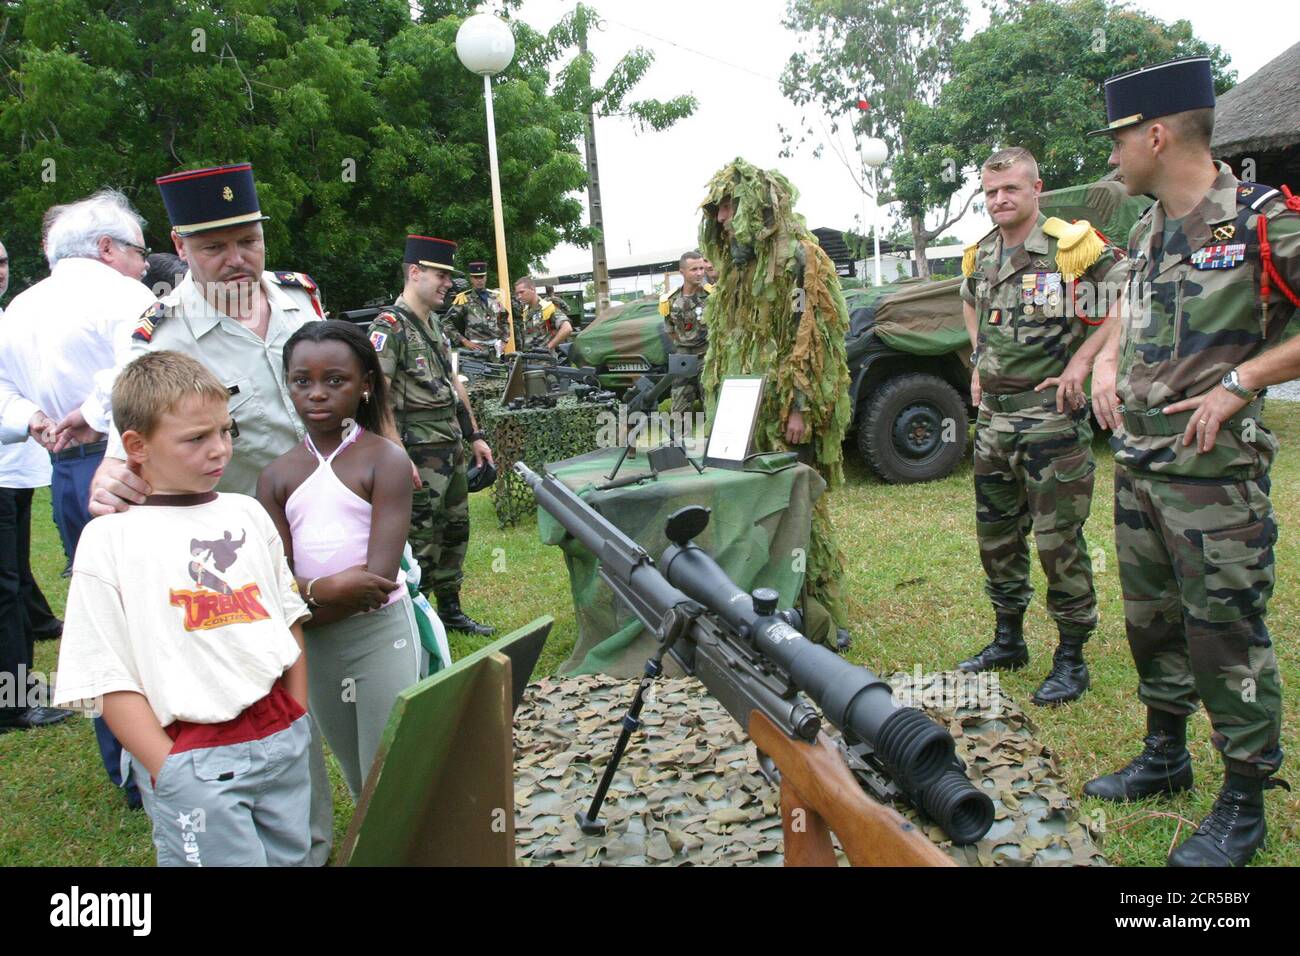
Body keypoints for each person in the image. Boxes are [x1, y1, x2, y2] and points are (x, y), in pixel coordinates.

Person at [84, 161, 336, 863]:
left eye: (248, 240)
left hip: (327, 531)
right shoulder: (159, 333)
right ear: (179, 245)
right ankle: (298, 842)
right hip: (237, 551)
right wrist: (114, 481)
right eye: (214, 246)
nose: (237, 261)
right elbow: (124, 447)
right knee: (266, 695)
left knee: (324, 688)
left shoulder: (300, 299)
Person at [1084, 56, 1300, 867]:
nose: (1112, 158)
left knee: (1226, 634)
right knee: (1153, 623)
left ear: (1157, 134)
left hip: (1215, 485)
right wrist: (1105, 365)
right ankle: (1165, 752)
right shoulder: (1150, 229)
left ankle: (1245, 796)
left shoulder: (1259, 219)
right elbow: (1125, 311)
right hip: (1140, 469)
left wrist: (1242, 382)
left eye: (1118, 142)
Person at [52, 351, 313, 866]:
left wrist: (297, 713)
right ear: (136, 446)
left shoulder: (247, 512)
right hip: (191, 753)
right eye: (196, 438)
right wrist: (167, 765)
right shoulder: (110, 539)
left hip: (280, 735)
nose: (219, 449)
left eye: (225, 430)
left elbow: (287, 620)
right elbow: (106, 674)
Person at [954, 147, 1125, 706]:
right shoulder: (980, 254)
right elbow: (970, 303)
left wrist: (1088, 361)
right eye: (991, 191)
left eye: (1011, 190)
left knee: (1058, 542)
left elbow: (1129, 295)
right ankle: (1008, 640)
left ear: (1035, 189)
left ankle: (1071, 657)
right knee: (996, 538)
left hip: (1050, 421)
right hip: (995, 423)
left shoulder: (1070, 248)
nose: (1000, 199)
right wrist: (978, 359)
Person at [0, 192, 155, 801]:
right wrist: (92, 415)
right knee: (155, 609)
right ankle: (164, 756)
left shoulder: (20, 306)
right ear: (109, 248)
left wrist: (37, 420)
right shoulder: (129, 298)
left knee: (101, 613)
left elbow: (3, 390)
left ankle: (123, 761)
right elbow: (143, 370)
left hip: (67, 469)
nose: (145, 265)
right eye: (140, 252)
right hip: (133, 462)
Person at [258, 321, 422, 799]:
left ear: (366, 385)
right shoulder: (275, 476)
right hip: (316, 644)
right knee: (354, 771)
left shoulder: (383, 460)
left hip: (379, 635)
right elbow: (277, 580)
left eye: (336, 380)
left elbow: (376, 583)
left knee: (386, 769)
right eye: (301, 381)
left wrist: (299, 601)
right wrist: (318, 592)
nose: (317, 394)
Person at [698, 158, 852, 649]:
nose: (721, 219)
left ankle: (820, 611)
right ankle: (764, 601)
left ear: (754, 205)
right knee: (752, 509)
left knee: (799, 507)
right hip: (741, 414)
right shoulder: (734, 269)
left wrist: (800, 406)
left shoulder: (800, 258)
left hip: (782, 411)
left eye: (728, 207)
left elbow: (813, 336)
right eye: (717, 210)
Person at [366, 235, 496, 636]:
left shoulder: (435, 324)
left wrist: (474, 433)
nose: (447, 284)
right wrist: (396, 455)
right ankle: (415, 622)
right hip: (416, 449)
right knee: (420, 536)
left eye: (449, 276)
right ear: (415, 272)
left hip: (450, 442)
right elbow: (377, 396)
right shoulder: (389, 326)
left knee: (455, 529)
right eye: (440, 275)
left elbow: (452, 383)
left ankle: (451, 611)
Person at [0, 239, 73, 733]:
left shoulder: (11, 317)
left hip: (18, 470)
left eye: (3, 261)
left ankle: (20, 684)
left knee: (17, 576)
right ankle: (12, 704)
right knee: (4, 587)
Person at [659, 249, 714, 414]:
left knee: (712, 407)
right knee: (679, 410)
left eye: (701, 269)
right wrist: (685, 343)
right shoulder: (670, 300)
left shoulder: (712, 296)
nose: (699, 273)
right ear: (682, 272)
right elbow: (671, 331)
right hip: (683, 358)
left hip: (708, 357)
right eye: (694, 269)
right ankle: (681, 439)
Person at [445, 261, 506, 350]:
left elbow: (504, 319)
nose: (479, 280)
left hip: (496, 348)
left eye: (481, 277)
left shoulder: (495, 297)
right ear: (471, 279)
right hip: (476, 349)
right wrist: (464, 341)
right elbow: (446, 322)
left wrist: (504, 340)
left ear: (486, 278)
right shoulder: (464, 299)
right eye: (476, 277)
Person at [510, 275, 573, 352]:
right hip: (528, 359)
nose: (519, 296)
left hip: (544, 361)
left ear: (532, 289)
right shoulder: (526, 310)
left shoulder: (546, 307)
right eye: (517, 293)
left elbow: (567, 329)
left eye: (522, 292)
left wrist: (548, 348)